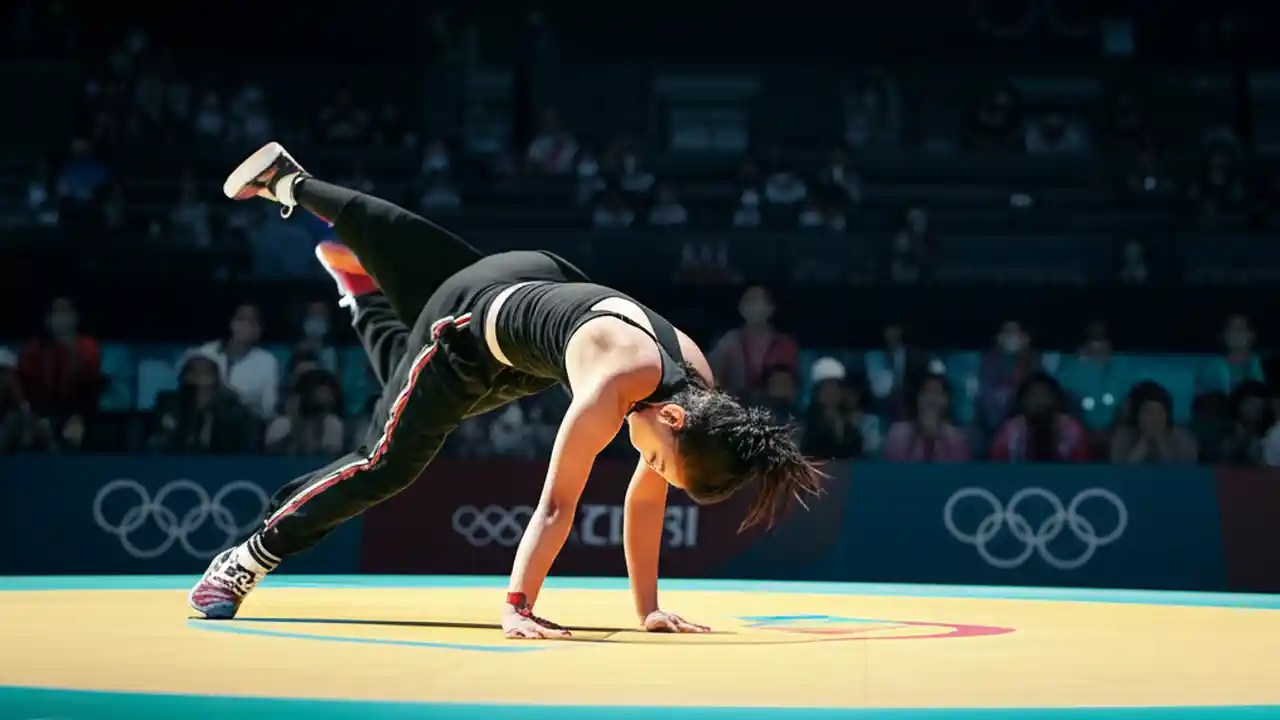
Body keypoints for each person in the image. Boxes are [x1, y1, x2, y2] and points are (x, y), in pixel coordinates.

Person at [190, 142, 823, 638]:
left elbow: (645, 506)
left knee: (417, 407)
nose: (648, 468)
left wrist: (648, 609)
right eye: (656, 460)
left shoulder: (696, 394)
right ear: (676, 422)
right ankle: (246, 557)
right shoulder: (613, 388)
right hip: (468, 324)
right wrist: (518, 605)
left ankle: (360, 288)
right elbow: (555, 508)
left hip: (540, 290)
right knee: (389, 459)